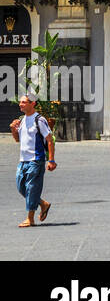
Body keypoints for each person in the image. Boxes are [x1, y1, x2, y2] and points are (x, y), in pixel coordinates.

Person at [9, 94, 54, 227]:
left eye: (24, 102)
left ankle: (30, 218)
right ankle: (43, 204)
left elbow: (49, 140)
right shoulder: (22, 120)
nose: (20, 104)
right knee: (21, 187)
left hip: (36, 160)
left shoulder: (39, 120)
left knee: (31, 188)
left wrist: (51, 160)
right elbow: (18, 140)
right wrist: (13, 130)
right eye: (20, 102)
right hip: (23, 160)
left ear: (32, 103)